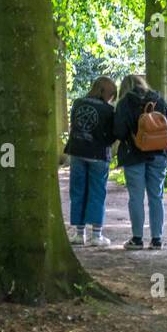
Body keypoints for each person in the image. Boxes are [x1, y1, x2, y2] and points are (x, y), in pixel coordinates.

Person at [113, 74, 167, 251]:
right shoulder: (159, 99)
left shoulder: (124, 103)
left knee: (136, 197)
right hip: (159, 154)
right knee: (156, 196)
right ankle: (157, 239)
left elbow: (119, 131)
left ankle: (137, 239)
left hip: (134, 155)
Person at [63, 76, 117, 247]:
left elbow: (74, 125)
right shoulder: (109, 110)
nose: (111, 98)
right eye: (112, 94)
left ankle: (79, 234)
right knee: (97, 193)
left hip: (77, 151)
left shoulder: (78, 103)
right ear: (106, 92)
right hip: (99, 154)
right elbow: (113, 132)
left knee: (78, 191)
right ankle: (96, 235)